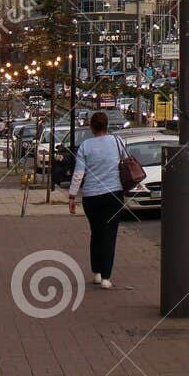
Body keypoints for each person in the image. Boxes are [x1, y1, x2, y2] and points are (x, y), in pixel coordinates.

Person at [67, 112, 124, 289]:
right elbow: (124, 161)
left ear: (92, 127)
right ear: (107, 126)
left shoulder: (85, 146)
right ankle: (107, 277)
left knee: (96, 232)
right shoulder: (117, 141)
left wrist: (72, 196)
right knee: (110, 234)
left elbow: (78, 174)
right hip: (114, 193)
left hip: (91, 196)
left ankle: (97, 272)